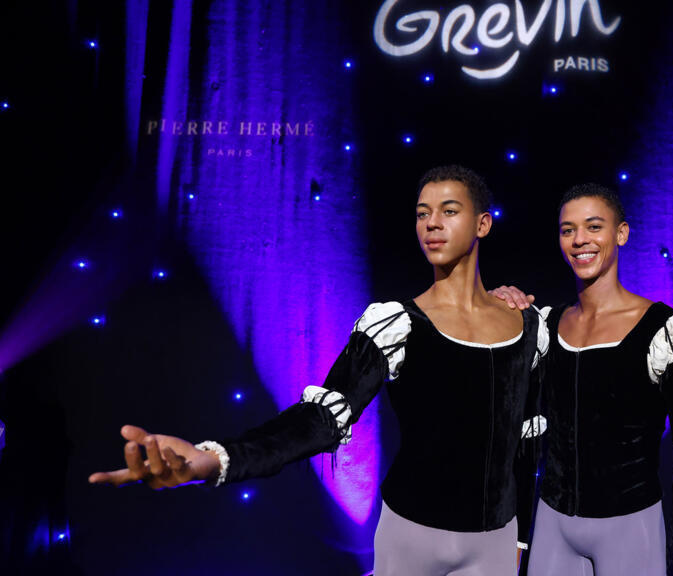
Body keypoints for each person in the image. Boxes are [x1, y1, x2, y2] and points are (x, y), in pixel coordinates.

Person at [90, 165, 549, 576]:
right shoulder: (396, 324)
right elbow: (321, 421)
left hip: (495, 540)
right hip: (412, 536)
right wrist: (212, 459)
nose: (431, 223)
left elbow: (527, 443)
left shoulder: (529, 326)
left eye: (449, 211)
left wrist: (523, 540)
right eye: (421, 212)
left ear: (482, 223)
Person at [493, 183, 673, 576]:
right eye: (567, 230)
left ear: (621, 233)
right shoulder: (545, 326)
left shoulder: (667, 331)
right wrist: (493, 304)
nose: (579, 239)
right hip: (553, 524)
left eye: (593, 226)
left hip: (630, 528)